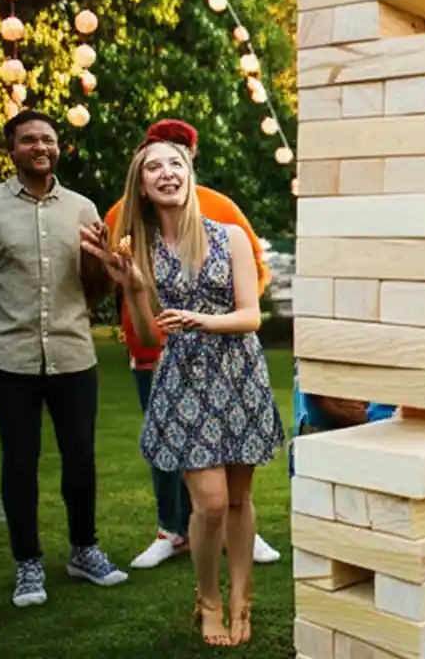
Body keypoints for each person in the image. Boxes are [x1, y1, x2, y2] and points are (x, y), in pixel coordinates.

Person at [82, 139, 285, 646]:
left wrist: (200, 320)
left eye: (175, 164)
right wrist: (131, 288)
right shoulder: (141, 249)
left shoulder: (230, 236)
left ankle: (241, 597)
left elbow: (251, 316)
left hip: (239, 376)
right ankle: (208, 599)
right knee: (210, 504)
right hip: (184, 382)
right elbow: (152, 338)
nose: (167, 173)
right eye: (154, 167)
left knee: (239, 499)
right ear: (143, 186)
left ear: (189, 174)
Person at [0, 110, 128, 607]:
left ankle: (84, 550)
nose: (40, 146)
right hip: (9, 356)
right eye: (29, 139)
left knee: (81, 459)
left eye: (48, 139)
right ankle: (27, 564)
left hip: (73, 353)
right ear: (12, 149)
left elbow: (95, 288)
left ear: (58, 147)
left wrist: (105, 265)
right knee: (20, 461)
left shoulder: (84, 208)